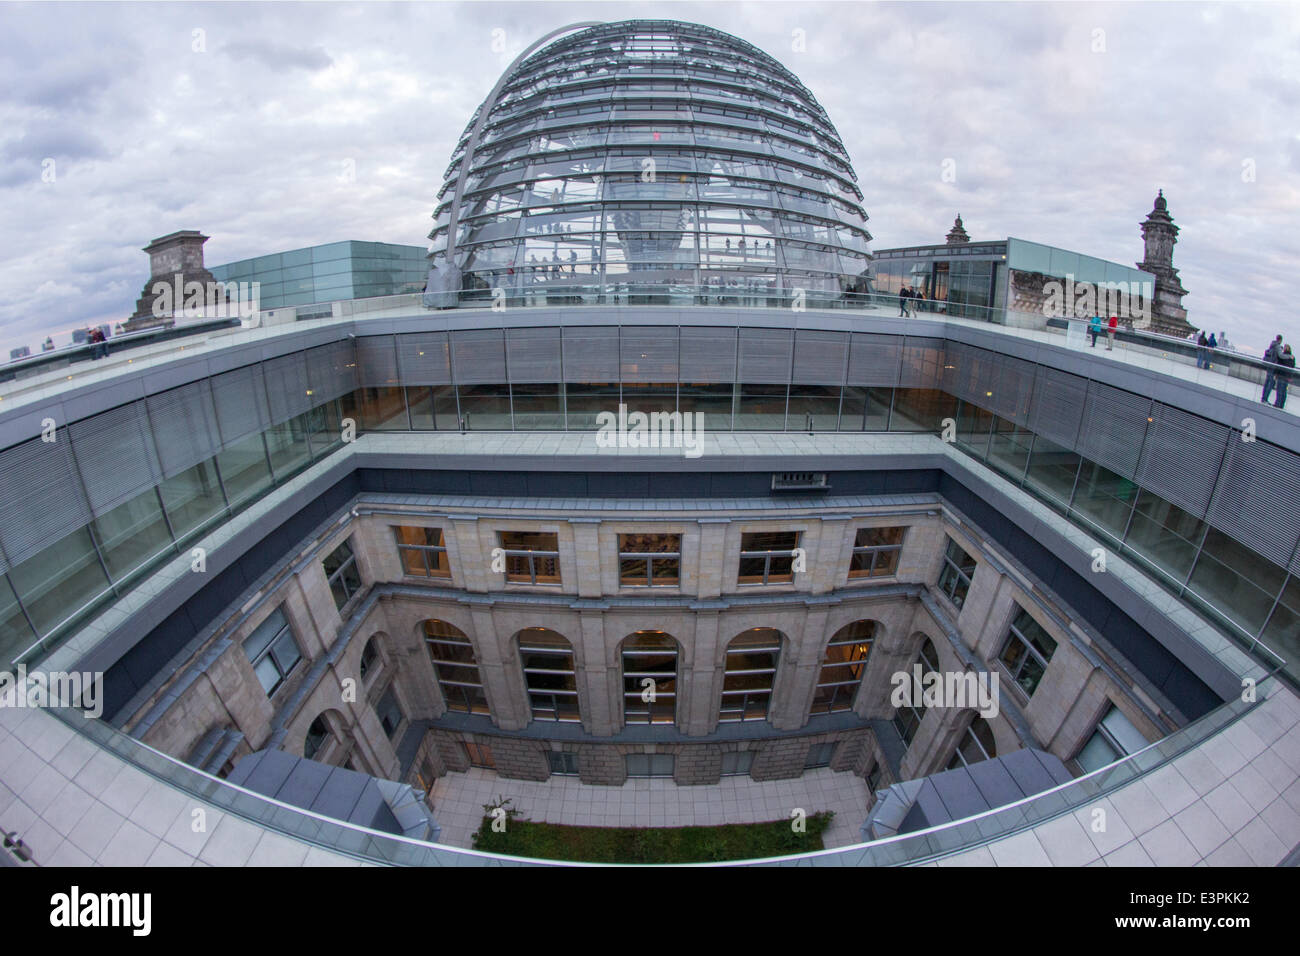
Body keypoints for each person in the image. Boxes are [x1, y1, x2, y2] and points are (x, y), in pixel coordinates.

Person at [1262, 334, 1284, 403]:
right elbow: (1281, 356)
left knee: (1267, 382)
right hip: (1273, 366)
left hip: (1269, 365)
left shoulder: (1272, 345)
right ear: (1280, 340)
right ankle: (1265, 398)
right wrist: (1289, 356)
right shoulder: (1278, 346)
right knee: (1271, 383)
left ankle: (1263, 398)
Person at [1275, 344, 1296, 410]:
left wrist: (1276, 374)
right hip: (1287, 377)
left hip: (1281, 375)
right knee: (1284, 391)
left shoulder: (1282, 356)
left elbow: (1278, 365)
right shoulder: (1292, 357)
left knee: (1279, 390)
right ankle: (1281, 405)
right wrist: (1290, 377)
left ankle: (1277, 404)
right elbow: (1292, 368)